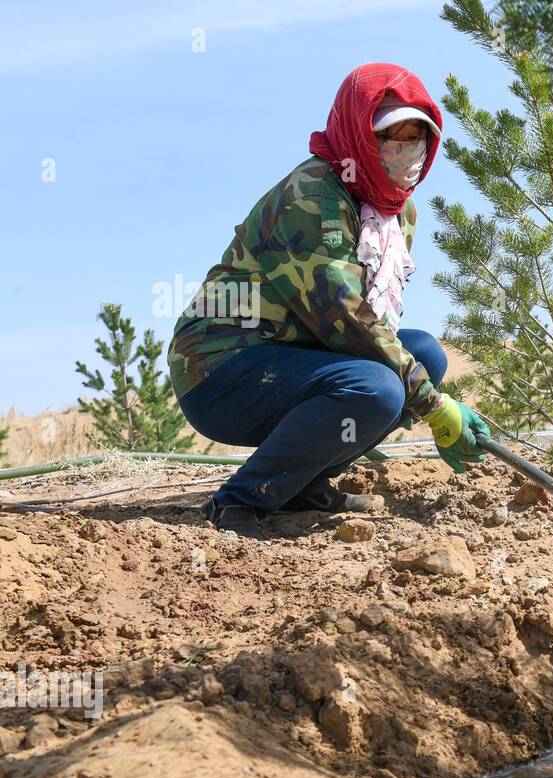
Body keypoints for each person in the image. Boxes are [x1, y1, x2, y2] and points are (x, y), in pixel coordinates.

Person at [167, 63, 488, 540]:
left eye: (415, 140)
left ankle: (301, 485)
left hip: (295, 353)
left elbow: (374, 319)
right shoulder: (312, 197)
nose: (405, 155)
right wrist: (433, 404)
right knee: (378, 389)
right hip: (221, 368)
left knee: (423, 353)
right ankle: (240, 500)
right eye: (389, 138)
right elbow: (346, 318)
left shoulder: (395, 212)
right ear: (358, 133)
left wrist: (423, 387)